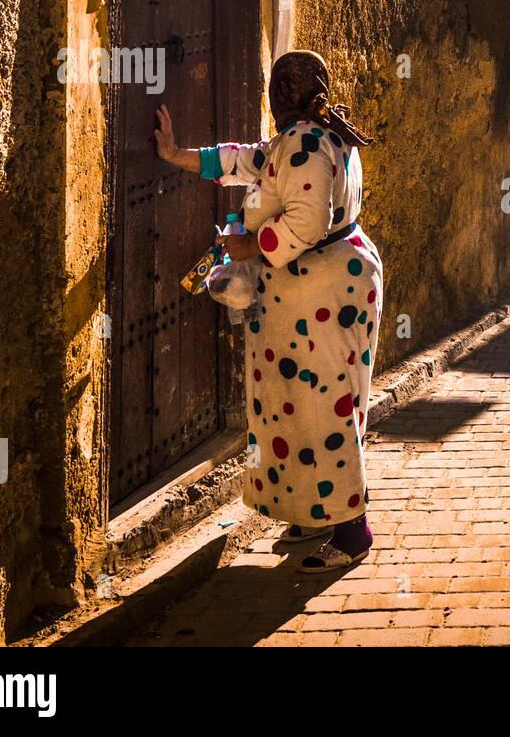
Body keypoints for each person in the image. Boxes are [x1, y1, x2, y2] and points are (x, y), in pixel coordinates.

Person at [153, 51, 383, 572]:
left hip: (323, 296)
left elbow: (304, 223)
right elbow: (243, 160)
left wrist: (248, 247)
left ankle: (352, 530)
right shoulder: (312, 135)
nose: (274, 94)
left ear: (283, 94)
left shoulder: (306, 142)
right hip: (319, 294)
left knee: (326, 409)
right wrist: (177, 155)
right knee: (301, 406)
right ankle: (318, 511)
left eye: (279, 86)